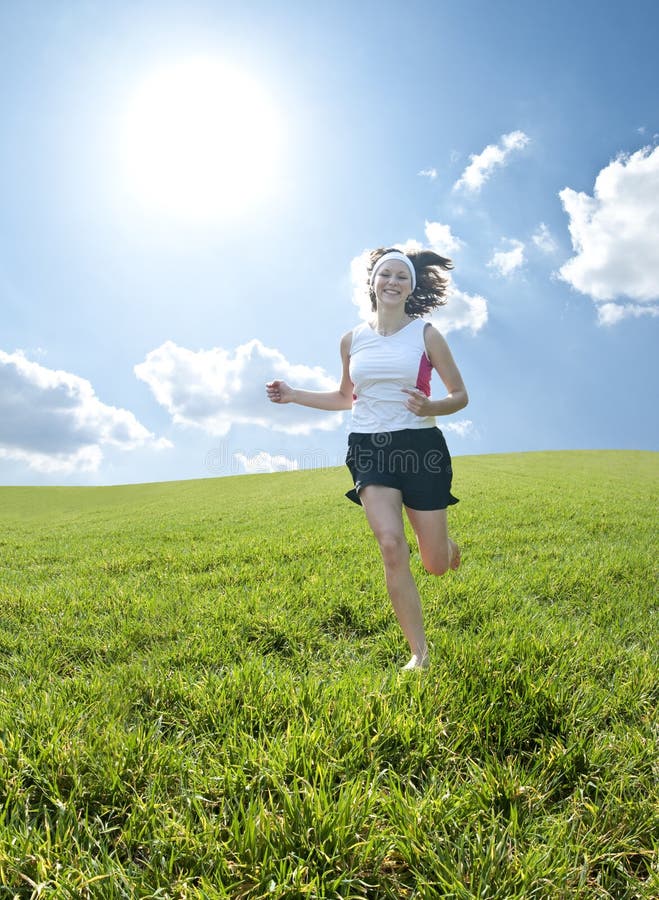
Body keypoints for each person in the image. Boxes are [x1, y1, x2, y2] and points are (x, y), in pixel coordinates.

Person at [266, 247, 468, 670]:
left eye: (401, 277)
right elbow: (345, 397)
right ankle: (420, 654)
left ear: (411, 287)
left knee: (434, 565)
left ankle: (445, 546)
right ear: (373, 282)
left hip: (420, 448)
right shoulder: (352, 339)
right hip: (369, 447)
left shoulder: (426, 335)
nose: (392, 282)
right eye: (385, 275)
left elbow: (459, 396)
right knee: (392, 546)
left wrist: (432, 407)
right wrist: (294, 394)